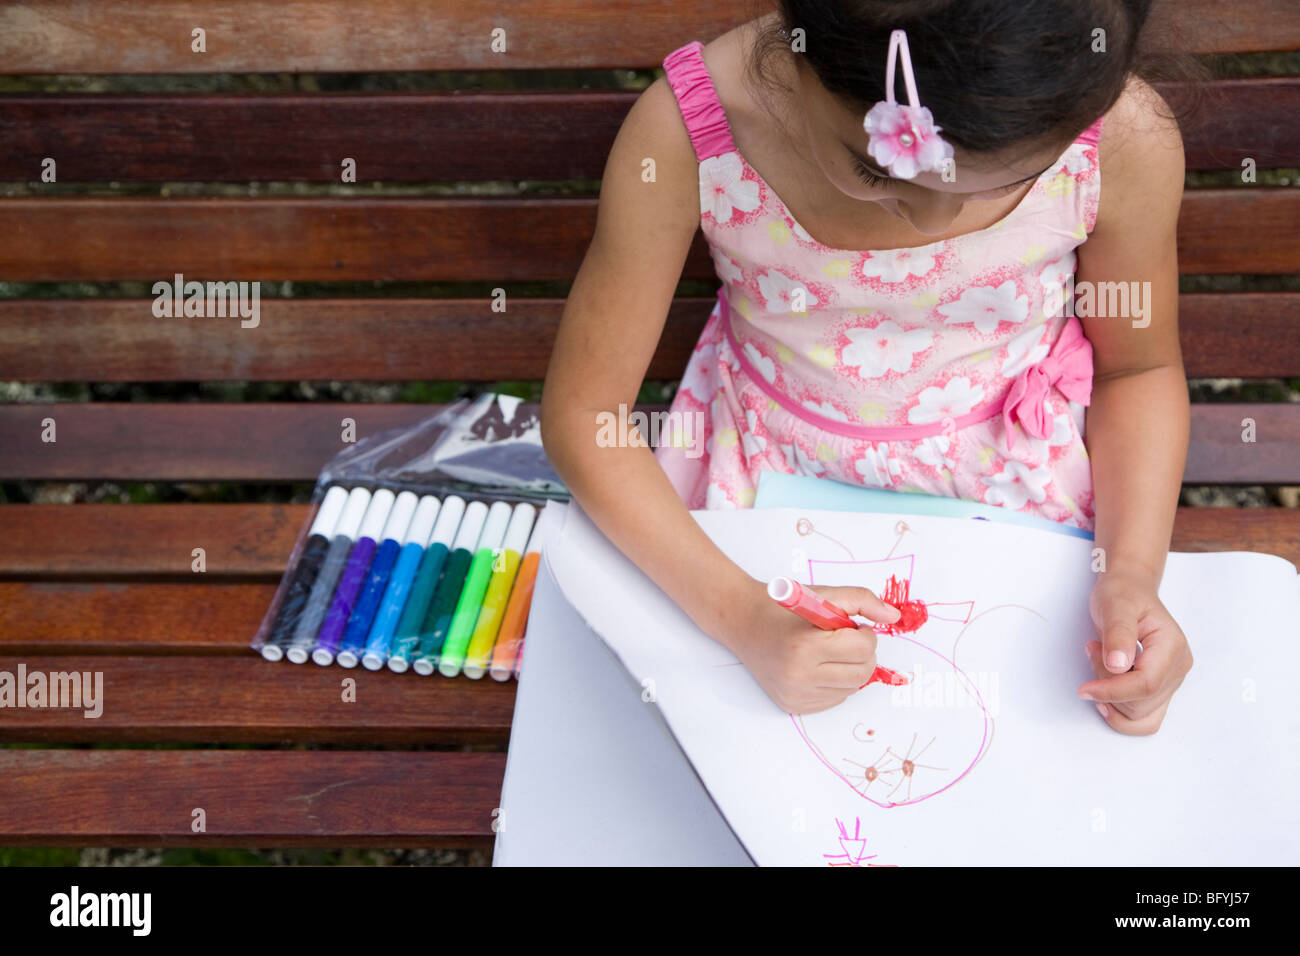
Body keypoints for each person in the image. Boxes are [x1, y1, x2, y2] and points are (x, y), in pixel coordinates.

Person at [542, 2, 1192, 732]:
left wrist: (1132, 574)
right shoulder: (693, 128)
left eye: (1000, 186)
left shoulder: (1122, 139)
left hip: (1017, 481)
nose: (928, 223)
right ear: (802, 57)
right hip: (756, 479)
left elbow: (1133, 371)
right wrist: (742, 616)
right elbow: (585, 415)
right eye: (872, 169)